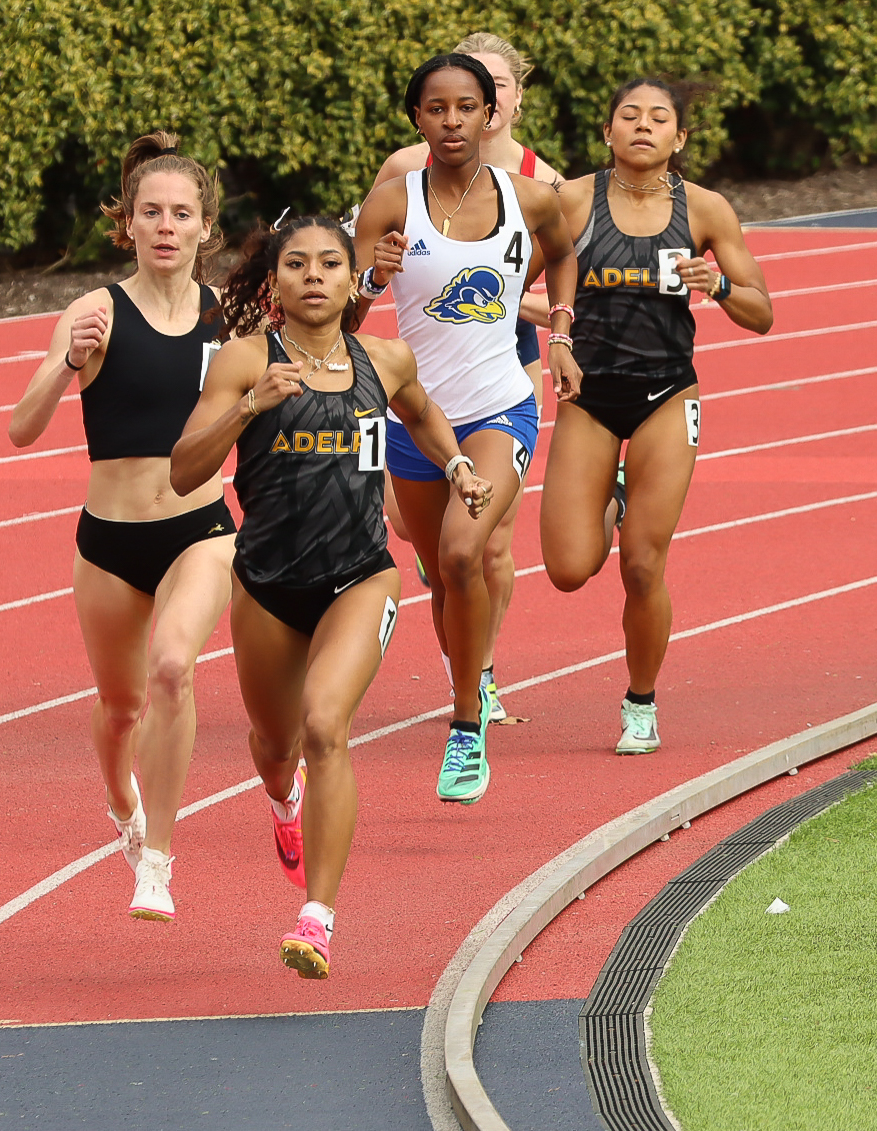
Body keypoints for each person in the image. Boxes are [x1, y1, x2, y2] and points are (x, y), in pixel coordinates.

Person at [171, 215, 490, 978]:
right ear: (273, 284)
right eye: (296, 265)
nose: (313, 275)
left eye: (328, 264)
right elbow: (184, 472)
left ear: (354, 282)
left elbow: (422, 413)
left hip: (360, 573)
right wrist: (248, 408)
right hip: (268, 584)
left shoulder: (385, 356)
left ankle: (315, 917)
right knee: (276, 748)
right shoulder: (244, 361)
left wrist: (453, 466)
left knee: (324, 725)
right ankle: (284, 804)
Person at [8, 132, 235, 922]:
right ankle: (120, 801)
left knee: (175, 667)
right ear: (127, 224)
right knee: (121, 706)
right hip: (107, 543)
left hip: (200, 529)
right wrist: (64, 364)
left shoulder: (227, 318)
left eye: (181, 213)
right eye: (151, 213)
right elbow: (20, 428)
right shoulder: (94, 310)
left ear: (207, 226)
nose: (166, 226)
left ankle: (159, 862)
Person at [352, 53, 581, 805]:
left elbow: (563, 254)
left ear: (491, 115)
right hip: (414, 413)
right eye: (435, 108)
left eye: (465, 107)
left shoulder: (529, 199)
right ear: (416, 118)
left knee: (461, 553)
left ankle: (462, 726)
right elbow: (342, 320)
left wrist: (561, 332)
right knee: (437, 570)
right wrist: (368, 278)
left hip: (498, 405)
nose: (451, 121)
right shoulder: (389, 203)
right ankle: (472, 672)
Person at [544, 78, 773, 753]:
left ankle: (639, 702)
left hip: (667, 395)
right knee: (566, 567)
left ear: (678, 139)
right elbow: (509, 281)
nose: (641, 126)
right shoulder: (571, 202)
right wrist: (555, 335)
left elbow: (762, 312)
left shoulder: (703, 209)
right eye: (628, 115)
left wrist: (720, 285)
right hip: (589, 398)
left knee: (642, 564)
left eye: (658, 118)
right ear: (607, 132)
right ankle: (613, 498)